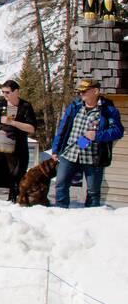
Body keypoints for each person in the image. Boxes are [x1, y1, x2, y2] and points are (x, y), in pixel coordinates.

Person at [51, 79, 124, 208]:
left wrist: (97, 135)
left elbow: (118, 131)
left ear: (96, 91)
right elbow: (63, 128)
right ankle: (60, 213)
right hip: (70, 152)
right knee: (61, 184)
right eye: (80, 91)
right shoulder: (75, 106)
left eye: (84, 91)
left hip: (93, 157)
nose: (81, 94)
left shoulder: (108, 110)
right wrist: (56, 149)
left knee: (93, 192)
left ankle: (91, 218)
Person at [0, 79, 37, 201]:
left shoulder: (25, 106)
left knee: (14, 170)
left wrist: (13, 123)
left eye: (8, 92)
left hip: (15, 142)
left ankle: (14, 194)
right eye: (3, 92)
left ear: (16, 92)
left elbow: (31, 128)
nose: (5, 95)